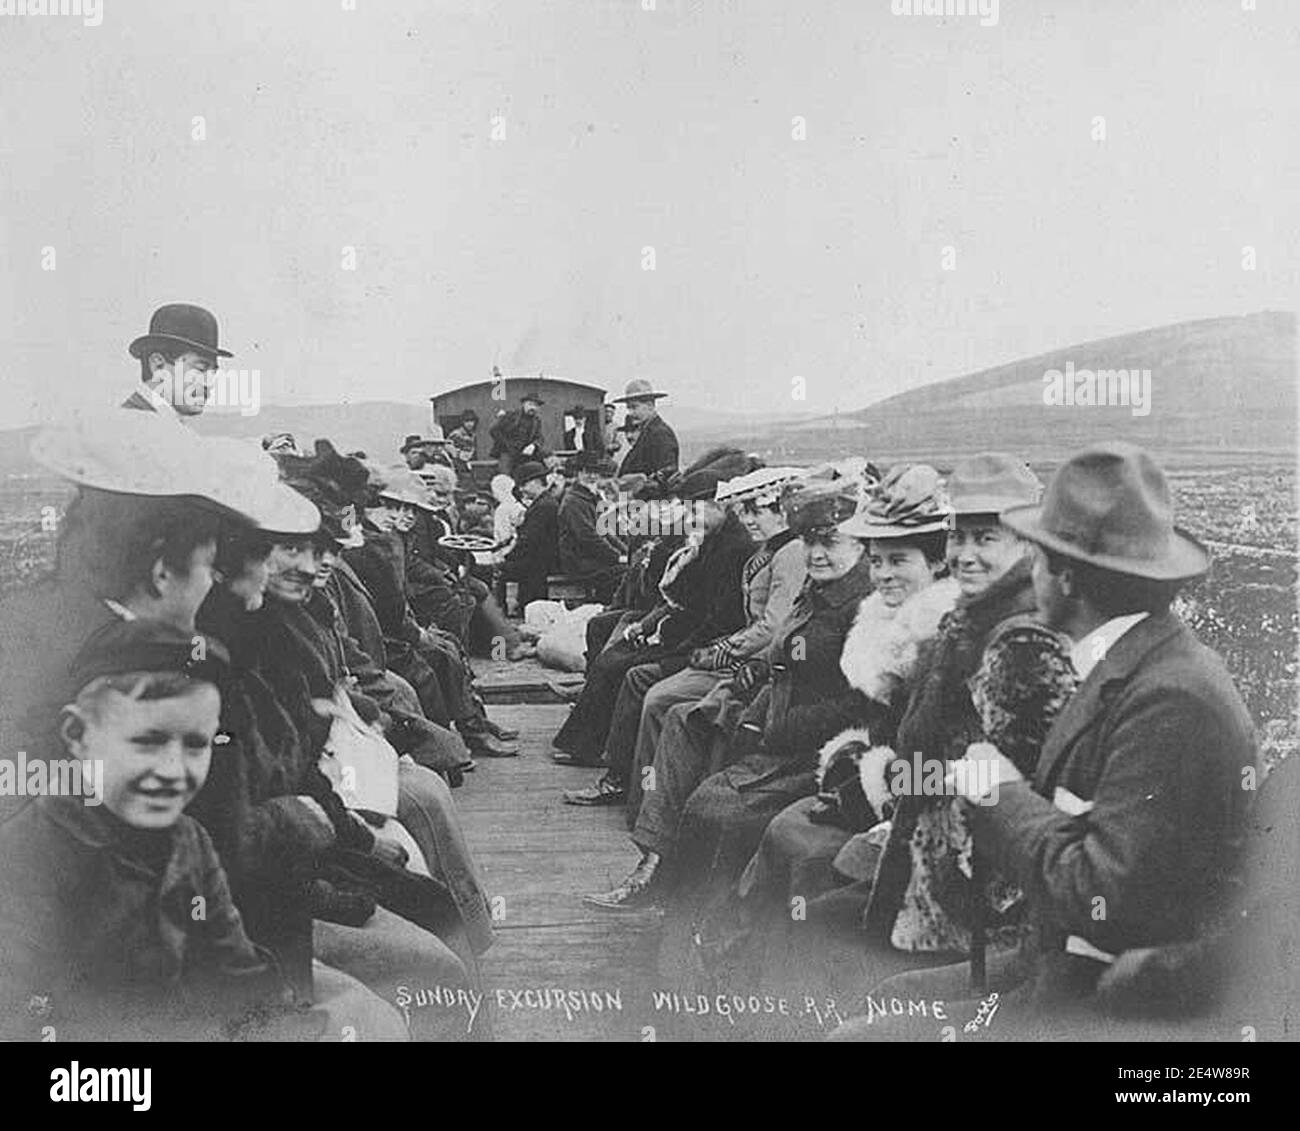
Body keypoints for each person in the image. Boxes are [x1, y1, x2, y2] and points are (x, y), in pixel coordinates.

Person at [833, 443, 1259, 1040]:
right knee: (883, 1001)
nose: (1025, 574)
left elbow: (1104, 895)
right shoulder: (1131, 665)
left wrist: (996, 791)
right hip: (1061, 949)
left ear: (1066, 577)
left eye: (1032, 554)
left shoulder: (1170, 698)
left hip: (1111, 994)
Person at [0, 619, 407, 1042]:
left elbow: (233, 968)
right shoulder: (25, 861)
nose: (173, 770)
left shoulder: (187, 841)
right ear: (76, 734)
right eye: (147, 741)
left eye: (196, 744)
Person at [561, 470, 755, 805]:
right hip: (688, 638)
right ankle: (596, 752)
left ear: (720, 506)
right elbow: (678, 597)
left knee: (633, 675)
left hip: (705, 648)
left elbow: (720, 618)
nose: (691, 517)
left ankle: (620, 778)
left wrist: (677, 648)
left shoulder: (733, 550)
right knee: (615, 658)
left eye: (696, 508)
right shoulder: (713, 541)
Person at [122, 303, 231, 420]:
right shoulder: (137, 420)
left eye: (213, 373)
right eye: (200, 369)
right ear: (158, 365)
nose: (209, 384)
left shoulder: (164, 422)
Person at [556, 450, 626, 603]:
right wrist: (617, 557)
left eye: (595, 472)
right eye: (587, 472)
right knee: (625, 574)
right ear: (578, 473)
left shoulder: (589, 497)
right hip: (579, 561)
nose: (592, 476)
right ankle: (607, 606)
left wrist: (625, 552)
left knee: (631, 569)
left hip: (592, 557)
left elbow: (605, 531)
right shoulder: (573, 501)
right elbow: (588, 537)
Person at [497, 460, 561, 613]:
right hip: (540, 559)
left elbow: (529, 542)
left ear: (535, 482)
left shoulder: (543, 506)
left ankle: (502, 611)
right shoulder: (544, 503)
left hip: (541, 563)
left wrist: (508, 557)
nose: (521, 489)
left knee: (497, 571)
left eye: (523, 485)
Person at [614, 378, 679, 484]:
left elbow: (666, 476)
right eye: (628, 408)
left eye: (634, 407)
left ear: (650, 406)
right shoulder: (647, 432)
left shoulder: (661, 434)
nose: (630, 413)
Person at [489, 393, 549, 475]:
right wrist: (506, 445)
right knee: (505, 476)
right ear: (523, 404)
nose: (533, 408)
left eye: (536, 405)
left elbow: (539, 437)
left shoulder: (536, 421)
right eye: (530, 404)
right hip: (507, 453)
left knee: (540, 468)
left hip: (525, 454)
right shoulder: (511, 416)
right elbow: (494, 430)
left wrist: (533, 445)